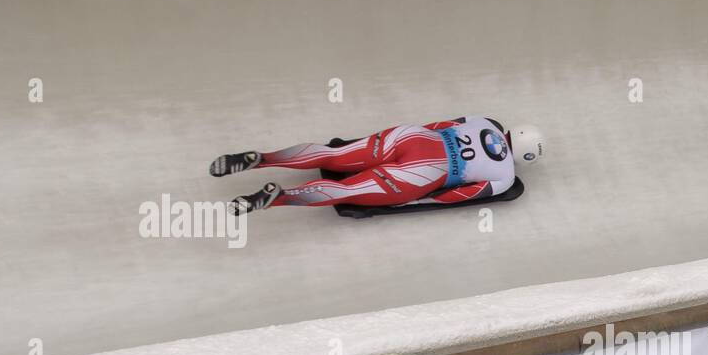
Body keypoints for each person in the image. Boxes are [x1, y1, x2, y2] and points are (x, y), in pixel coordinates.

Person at [211, 117, 543, 214]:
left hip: (410, 139)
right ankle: (281, 197)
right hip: (424, 173)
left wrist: (410, 135)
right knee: (347, 190)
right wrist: (418, 199)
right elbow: (457, 196)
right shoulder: (504, 176)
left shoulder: (483, 120)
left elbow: (439, 125)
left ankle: (265, 159)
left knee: (333, 155)